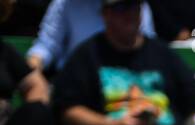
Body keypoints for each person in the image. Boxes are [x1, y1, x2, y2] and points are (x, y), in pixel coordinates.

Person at [53, 0, 195, 125]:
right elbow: (68, 111)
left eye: (134, 7)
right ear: (105, 14)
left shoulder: (164, 54)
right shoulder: (86, 55)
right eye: (121, 8)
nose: (129, 14)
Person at [26, 0, 157, 76]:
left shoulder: (136, 4)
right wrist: (31, 72)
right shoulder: (64, 3)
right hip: (76, 83)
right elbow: (46, 45)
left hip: (126, 83)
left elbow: (147, 49)